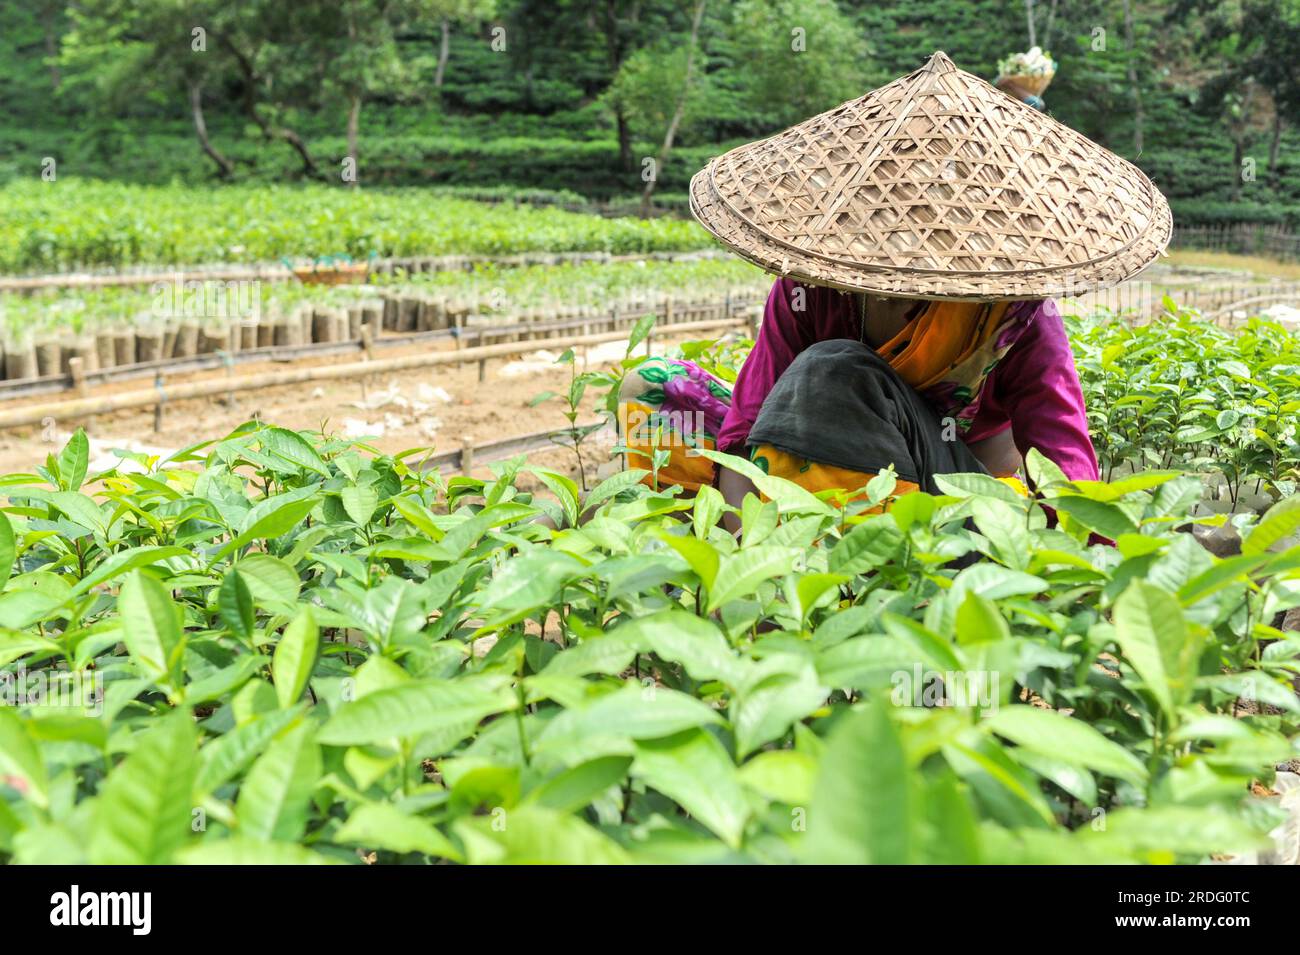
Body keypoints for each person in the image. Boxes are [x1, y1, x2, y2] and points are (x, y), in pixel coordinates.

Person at [619, 51, 1171, 519]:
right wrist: (737, 546)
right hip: (806, 462)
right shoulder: (812, 289)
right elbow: (749, 424)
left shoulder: (1014, 316)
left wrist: (1075, 560)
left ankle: (867, 559)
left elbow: (1064, 460)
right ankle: (708, 531)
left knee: (835, 370)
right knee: (652, 387)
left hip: (951, 493)